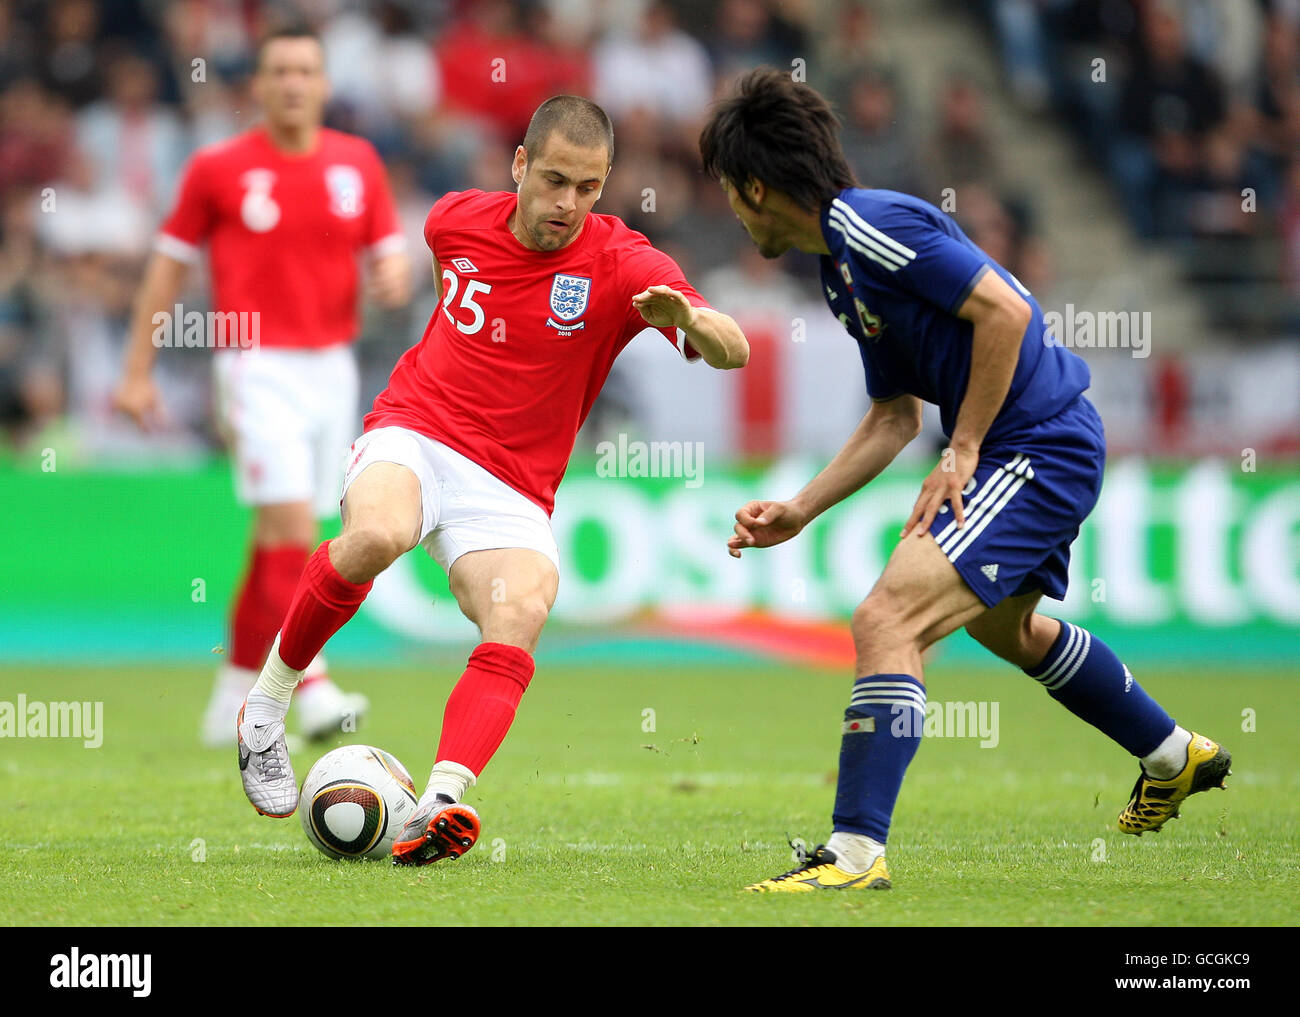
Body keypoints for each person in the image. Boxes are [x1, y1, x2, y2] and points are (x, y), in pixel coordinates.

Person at [699, 68, 1230, 892]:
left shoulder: (870, 226)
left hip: (1035, 444)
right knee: (1003, 629)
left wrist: (967, 445)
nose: (731, 211)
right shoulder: (841, 270)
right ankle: (1173, 754)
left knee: (887, 617)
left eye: (730, 192)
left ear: (756, 186)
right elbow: (893, 417)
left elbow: (1007, 311)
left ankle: (853, 853)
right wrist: (799, 508)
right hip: (1030, 443)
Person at [235, 95, 750, 866]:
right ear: (519, 166)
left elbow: (733, 348)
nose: (568, 204)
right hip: (416, 428)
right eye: (554, 181)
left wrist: (692, 318)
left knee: (522, 610)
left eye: (588, 187)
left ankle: (437, 804)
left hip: (510, 487)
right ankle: (266, 708)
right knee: (376, 533)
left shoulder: (623, 263)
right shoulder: (454, 220)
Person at [113, 25, 411, 745]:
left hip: (332, 364)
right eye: (279, 70)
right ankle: (311, 685)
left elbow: (392, 258)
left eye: (305, 70)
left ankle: (228, 698)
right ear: (259, 84)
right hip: (255, 365)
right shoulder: (218, 168)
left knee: (278, 540)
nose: (292, 83)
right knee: (294, 530)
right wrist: (137, 369)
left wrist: (395, 276)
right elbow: (167, 265)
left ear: (324, 83)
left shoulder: (357, 163)